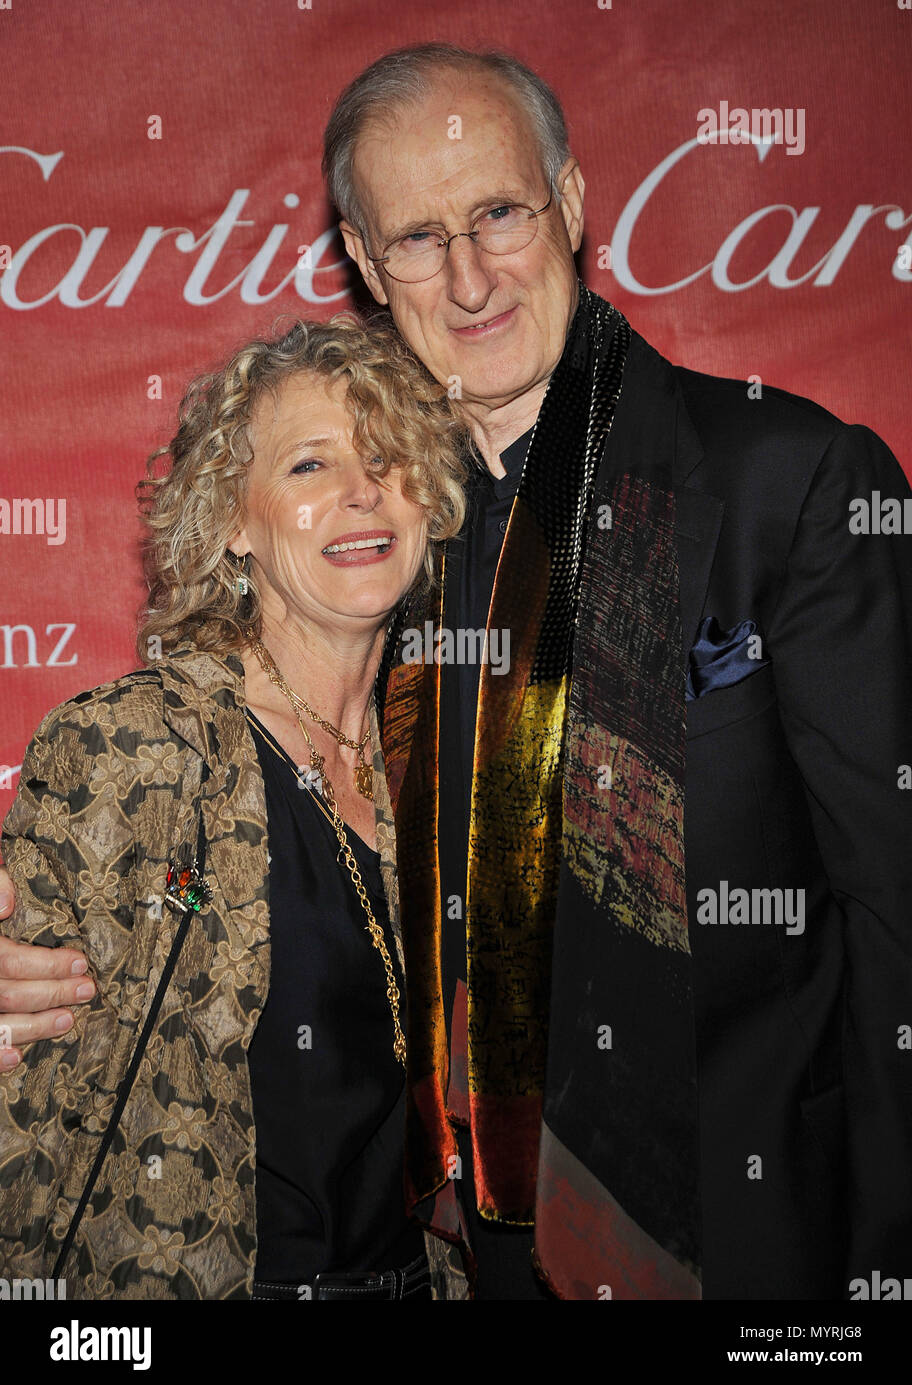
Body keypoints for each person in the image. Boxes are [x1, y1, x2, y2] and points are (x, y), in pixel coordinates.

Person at [3, 43, 912, 1301]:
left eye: (499, 212)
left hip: (755, 1256)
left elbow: (898, 913)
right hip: (456, 1270)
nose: (472, 275)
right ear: (369, 268)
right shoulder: (375, 563)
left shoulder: (788, 479)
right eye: (420, 238)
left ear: (574, 203)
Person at [0, 314, 470, 1299]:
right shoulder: (137, 748)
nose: (361, 491)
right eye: (310, 466)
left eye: (388, 457)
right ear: (229, 524)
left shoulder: (451, 759)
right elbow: (24, 1066)